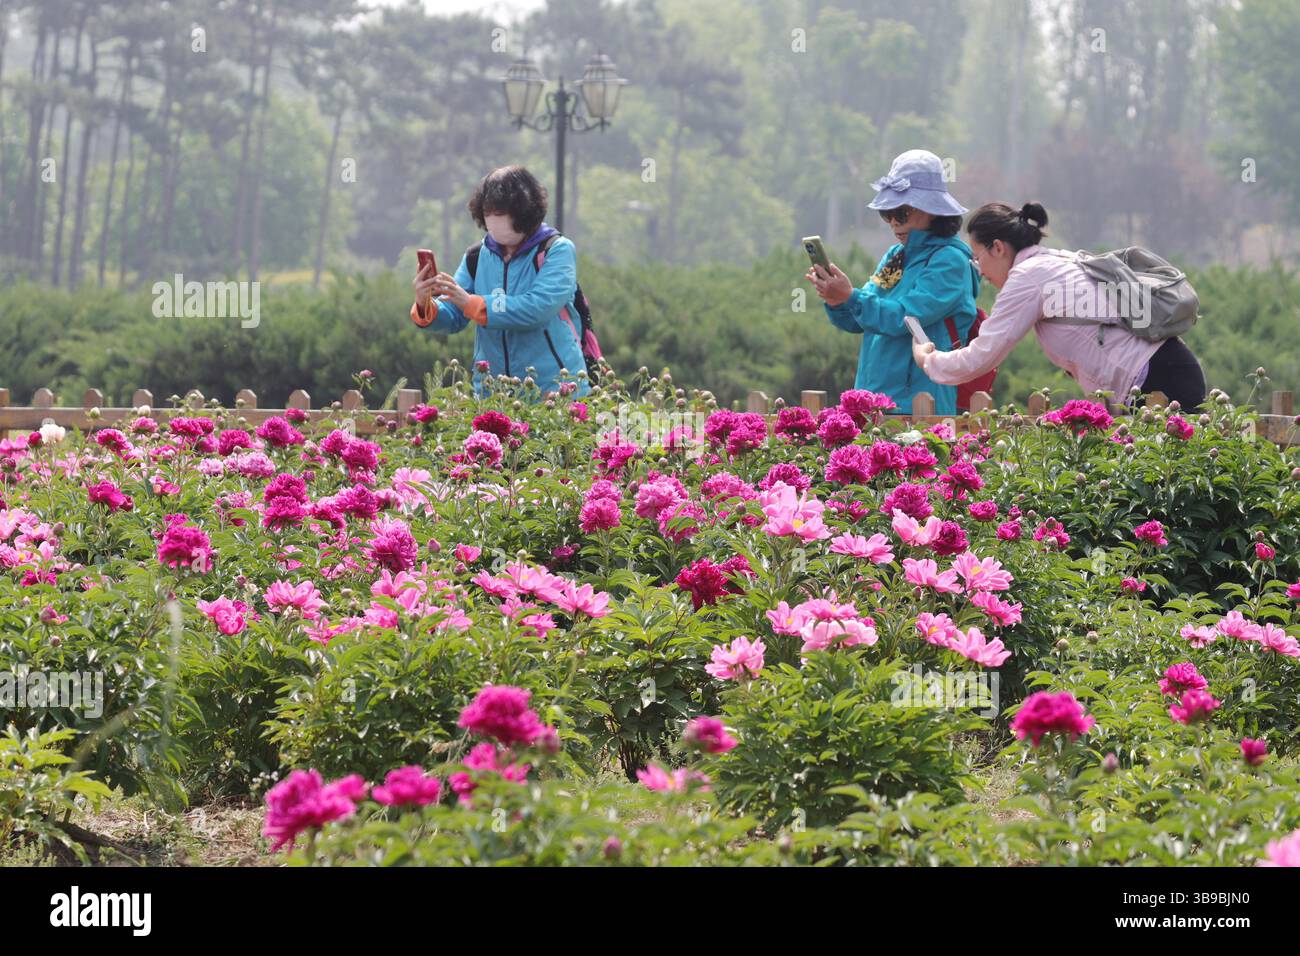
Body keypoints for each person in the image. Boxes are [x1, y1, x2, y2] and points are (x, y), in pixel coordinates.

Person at [912, 201, 1207, 410]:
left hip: (1157, 381)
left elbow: (984, 354)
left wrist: (929, 360)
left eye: (977, 258)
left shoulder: (1028, 277)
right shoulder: (1056, 259)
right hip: (1169, 370)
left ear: (998, 247)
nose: (979, 269)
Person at [806, 149, 980, 415]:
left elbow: (905, 319)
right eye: (888, 214)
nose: (894, 223)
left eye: (903, 213)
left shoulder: (950, 262)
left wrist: (851, 297)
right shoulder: (895, 257)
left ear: (933, 211)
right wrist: (838, 302)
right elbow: (860, 319)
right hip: (872, 401)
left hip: (920, 404)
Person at [410, 165, 590, 399]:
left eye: (502, 212)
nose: (495, 220)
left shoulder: (557, 250)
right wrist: (426, 305)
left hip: (555, 392)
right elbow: (454, 315)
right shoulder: (476, 256)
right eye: (489, 212)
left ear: (524, 212)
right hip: (492, 395)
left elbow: (537, 308)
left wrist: (476, 304)